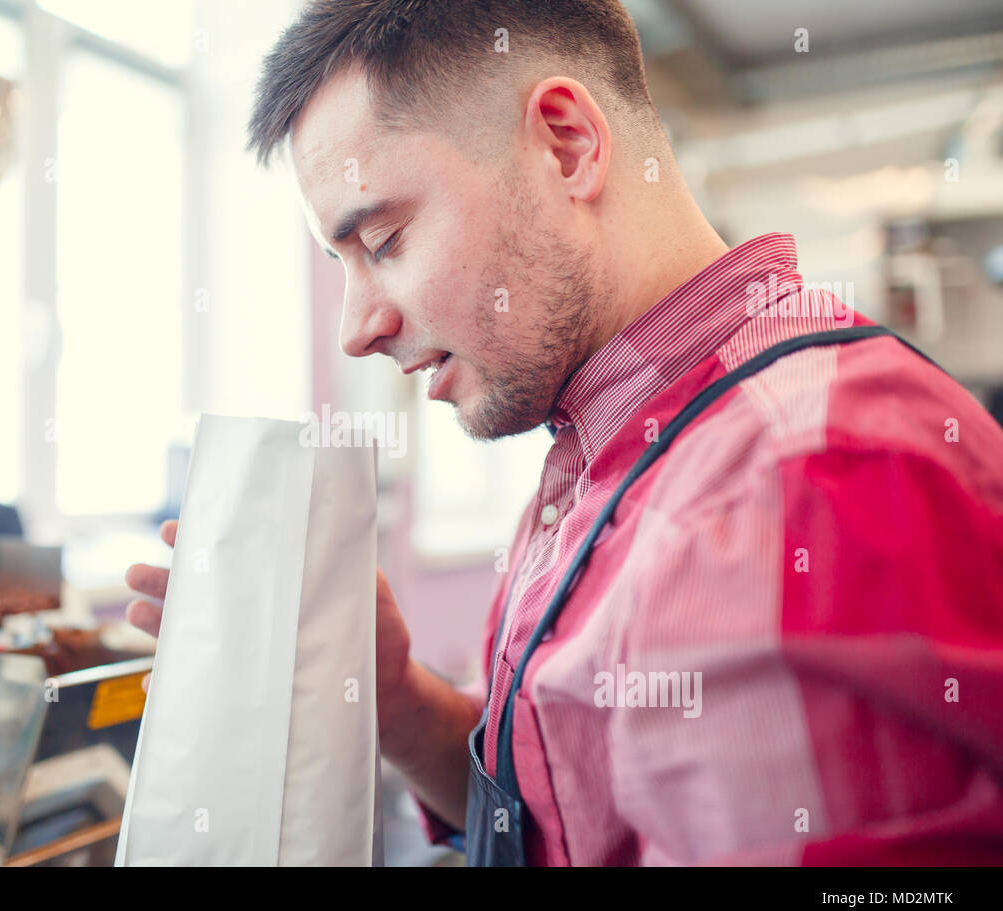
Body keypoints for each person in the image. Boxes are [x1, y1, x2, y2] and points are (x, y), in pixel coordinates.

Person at [126, 0, 1003, 865]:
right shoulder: (601, 450)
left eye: (385, 240)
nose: (357, 326)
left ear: (568, 144)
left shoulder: (794, 480)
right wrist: (397, 702)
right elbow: (565, 823)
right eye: (342, 261)